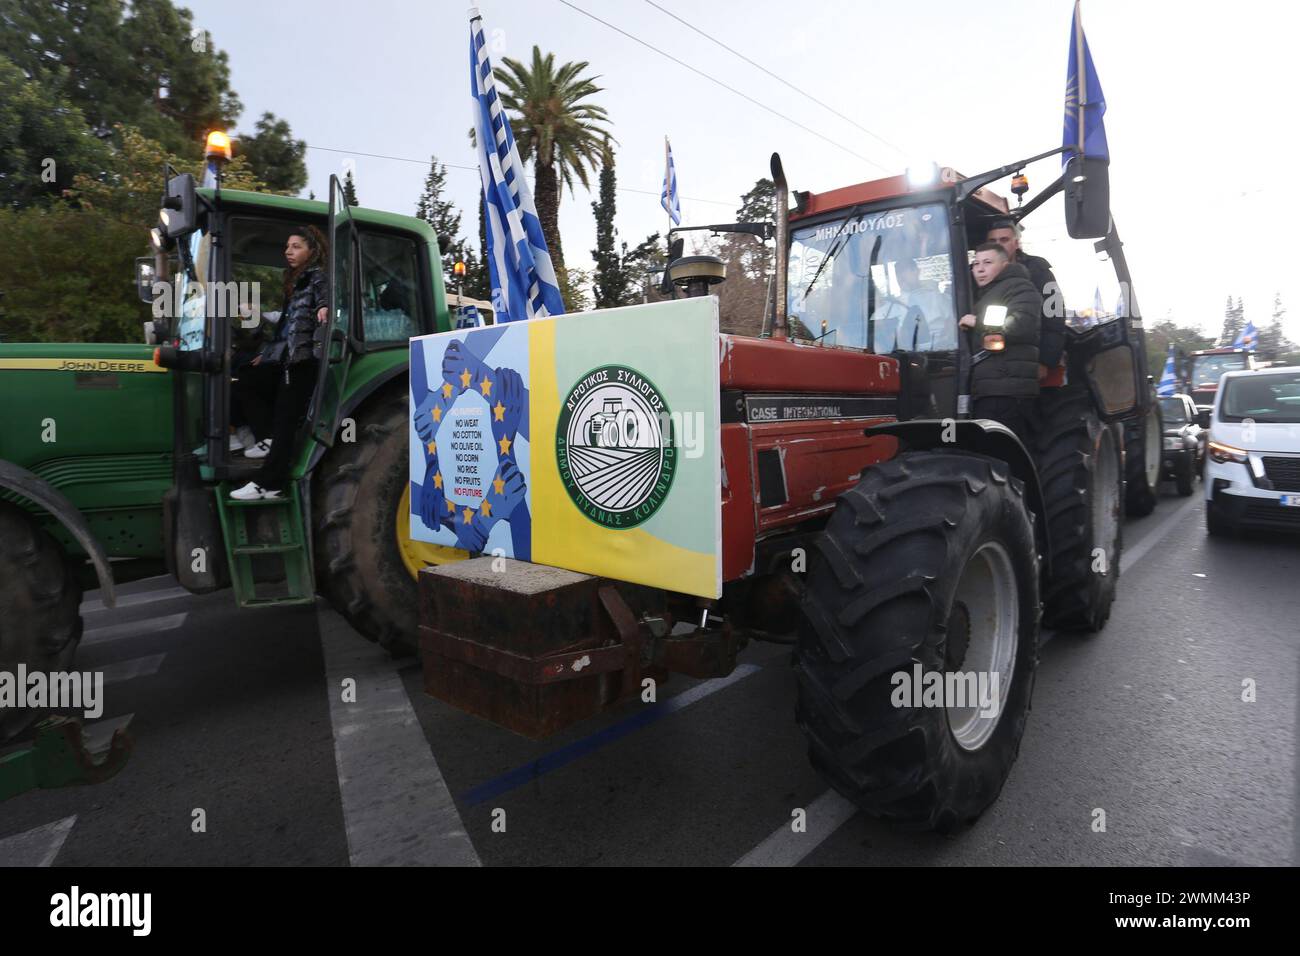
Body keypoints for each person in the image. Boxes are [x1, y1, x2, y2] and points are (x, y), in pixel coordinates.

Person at [230, 226, 330, 500]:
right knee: (246, 377)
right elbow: (288, 322)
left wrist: (323, 307)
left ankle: (269, 483)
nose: (288, 251)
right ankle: (263, 438)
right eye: (287, 246)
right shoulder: (297, 282)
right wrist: (269, 344)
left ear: (312, 250)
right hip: (288, 356)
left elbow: (324, 298)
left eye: (296, 246)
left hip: (304, 361)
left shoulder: (316, 276)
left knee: (286, 421)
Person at [959, 243, 1041, 444]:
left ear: (1005, 265)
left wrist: (977, 322)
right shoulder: (984, 294)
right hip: (990, 388)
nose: (979, 269)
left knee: (1001, 450)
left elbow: (1021, 323)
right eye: (976, 263)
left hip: (1006, 391)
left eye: (987, 263)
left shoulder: (1020, 288)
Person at [986, 217, 1064, 380]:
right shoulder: (979, 273)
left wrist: (1045, 361)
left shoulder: (1038, 270)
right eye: (992, 241)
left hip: (1030, 358)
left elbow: (1055, 315)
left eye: (1004, 239)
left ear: (1016, 243)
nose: (998, 245)